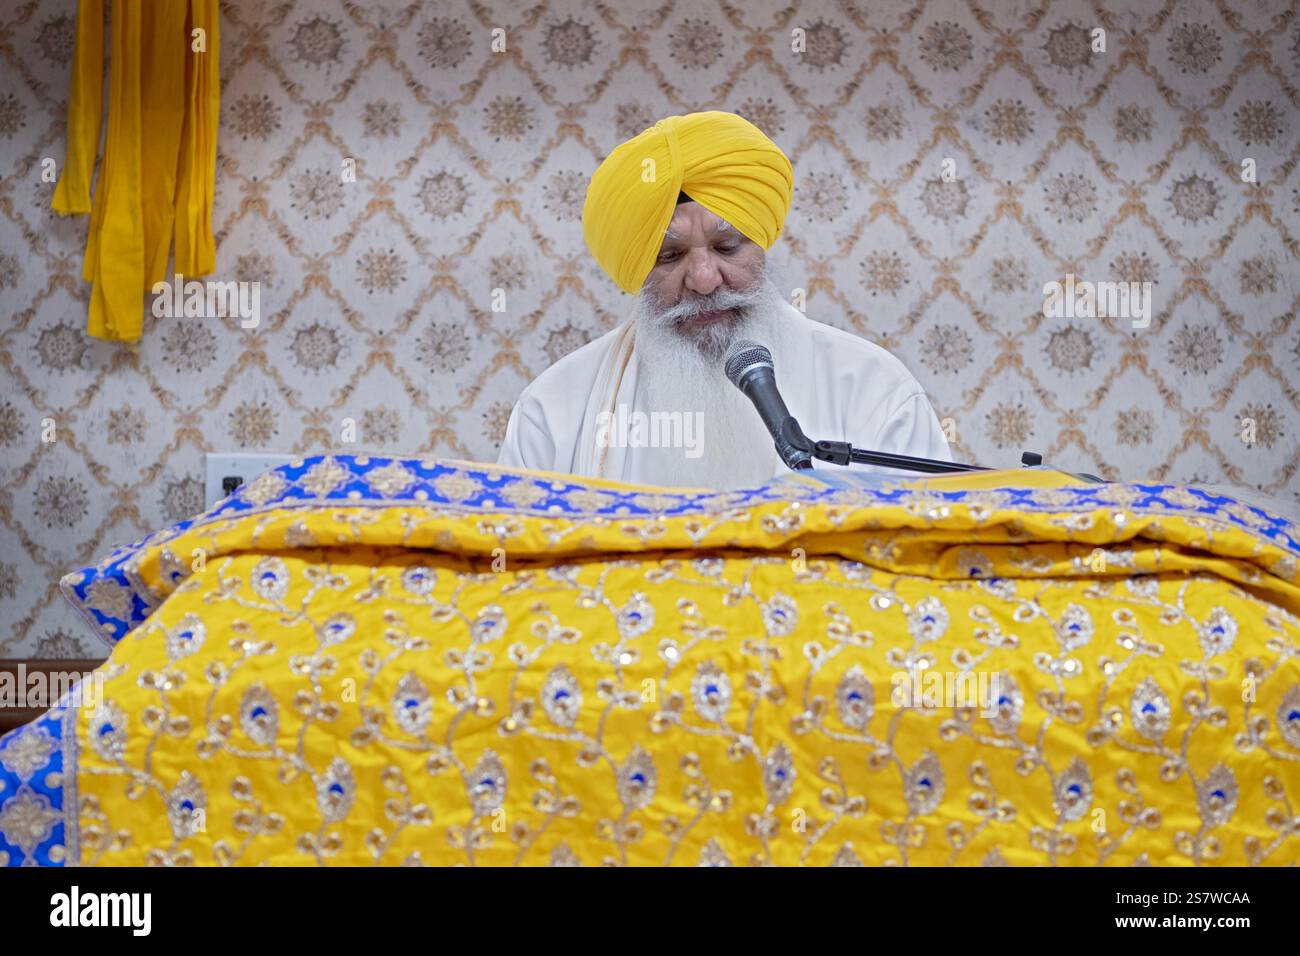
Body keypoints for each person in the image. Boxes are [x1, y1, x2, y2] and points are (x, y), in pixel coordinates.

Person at [498, 110, 951, 490]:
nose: (703, 279)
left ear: (762, 245)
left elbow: (930, 561)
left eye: (728, 247)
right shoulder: (555, 409)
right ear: (636, 270)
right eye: (669, 256)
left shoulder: (875, 390)